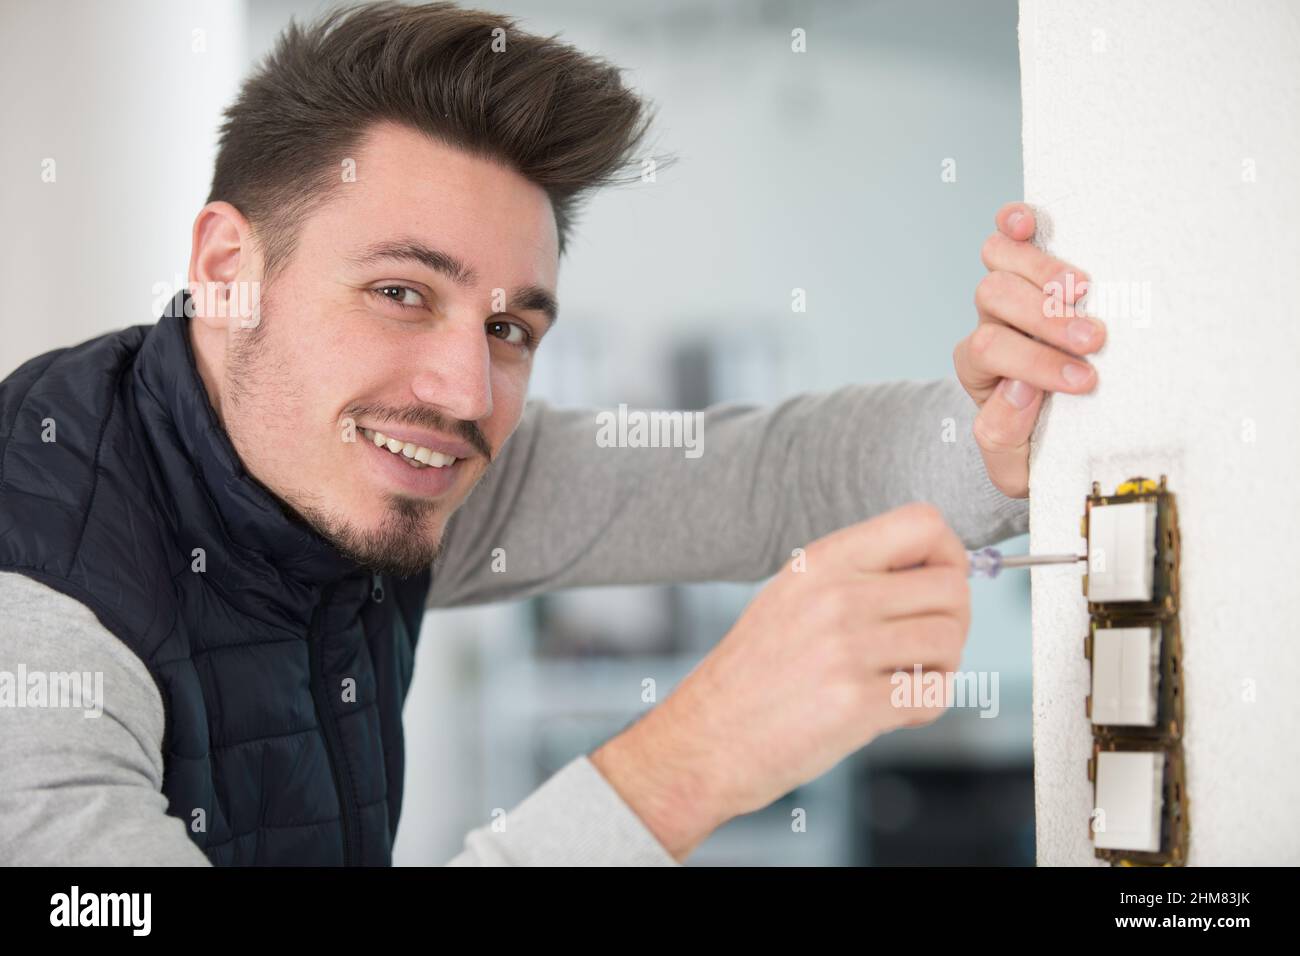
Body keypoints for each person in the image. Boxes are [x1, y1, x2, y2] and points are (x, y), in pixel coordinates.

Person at [0, 1, 1100, 865]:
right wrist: (692, 758)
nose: (465, 389)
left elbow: (762, 478)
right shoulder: (38, 622)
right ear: (227, 268)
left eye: (509, 324)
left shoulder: (397, 467)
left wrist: (998, 439)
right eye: (398, 292)